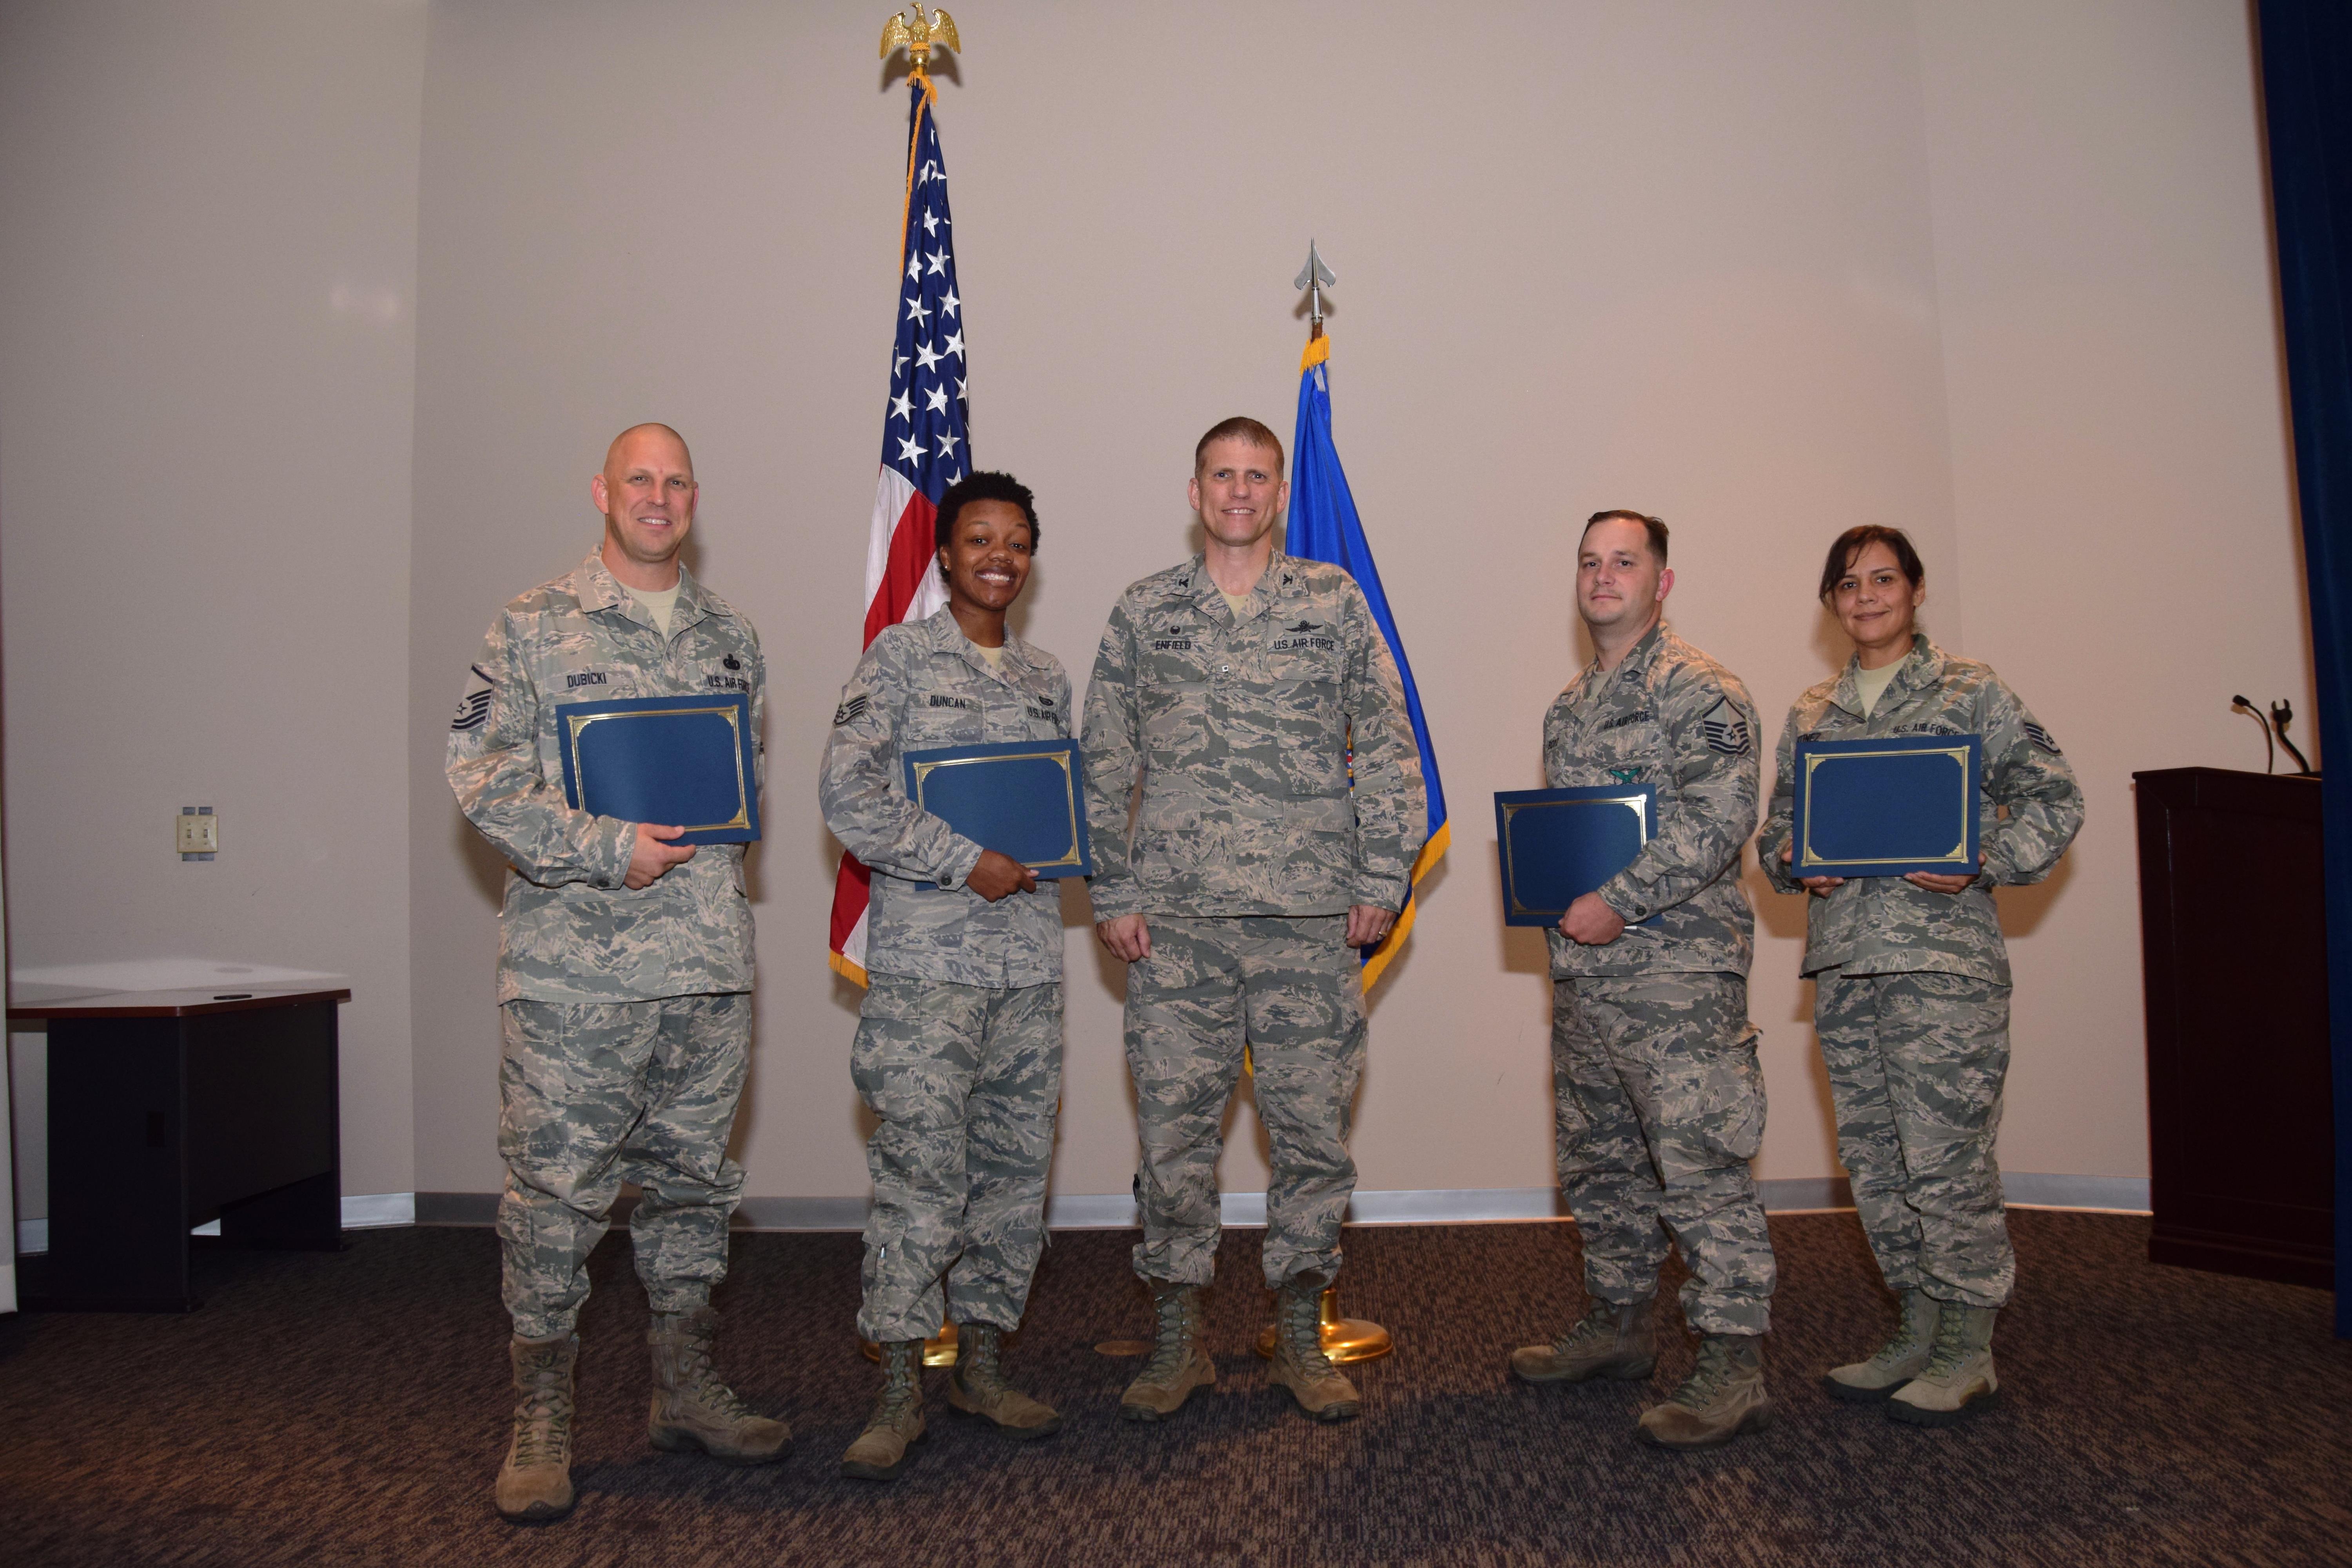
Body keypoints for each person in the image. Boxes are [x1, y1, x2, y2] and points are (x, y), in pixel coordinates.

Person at [448, 423, 784, 1525]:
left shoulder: (732, 634)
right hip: (576, 978)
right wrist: (606, 846)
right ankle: (538, 1418)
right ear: (602, 490)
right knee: (555, 1203)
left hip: (704, 969)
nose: (658, 497)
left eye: (676, 481)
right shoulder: (533, 625)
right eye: (639, 479)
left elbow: (746, 787)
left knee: (694, 1194)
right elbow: (480, 777)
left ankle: (682, 1388)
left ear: (695, 497)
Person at [1080, 417, 1426, 1425]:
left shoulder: (1333, 600)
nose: (1240, 491)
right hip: (1176, 924)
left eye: (1258, 477)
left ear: (1279, 493)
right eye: (1222, 475)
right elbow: (1102, 759)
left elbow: (1391, 742)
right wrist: (1112, 886)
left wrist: (1383, 872)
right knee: (1173, 1135)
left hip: (1309, 920)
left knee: (1312, 1131)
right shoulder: (1145, 611)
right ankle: (1179, 1334)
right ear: (1194, 491)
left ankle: (1302, 1332)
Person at [1759, 525, 2082, 1426]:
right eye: (1848, 583)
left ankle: (1968, 1346)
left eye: (1884, 578)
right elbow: (1775, 834)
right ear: (1831, 602)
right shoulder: (1812, 711)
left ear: (1917, 588)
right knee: (1875, 1159)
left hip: (1943, 968)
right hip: (1847, 964)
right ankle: (1918, 1322)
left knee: (1945, 1162)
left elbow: (2058, 796)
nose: (1866, 596)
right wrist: (1792, 860)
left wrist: (1985, 855)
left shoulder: (1972, 690)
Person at [819, 472, 1073, 1480]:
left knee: (1012, 1178)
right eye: (979, 537)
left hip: (1028, 970)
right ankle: (896, 1385)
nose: (999, 555)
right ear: (946, 551)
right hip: (929, 967)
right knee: (921, 1175)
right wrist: (964, 857)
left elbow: (1062, 806)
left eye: (1016, 539)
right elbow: (847, 793)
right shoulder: (897, 658)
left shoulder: (1048, 677)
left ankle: (985, 1362)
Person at [1506, 510, 1778, 1450]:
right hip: (1588, 975)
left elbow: (1719, 820)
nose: (1603, 576)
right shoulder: (1569, 705)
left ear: (1662, 581)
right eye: (1589, 562)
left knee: (1701, 1166)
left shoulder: (1702, 690)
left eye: (1625, 562)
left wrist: (1620, 896)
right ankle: (1619, 1324)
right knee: (1603, 1163)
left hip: (1678, 975)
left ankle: (1733, 1360)